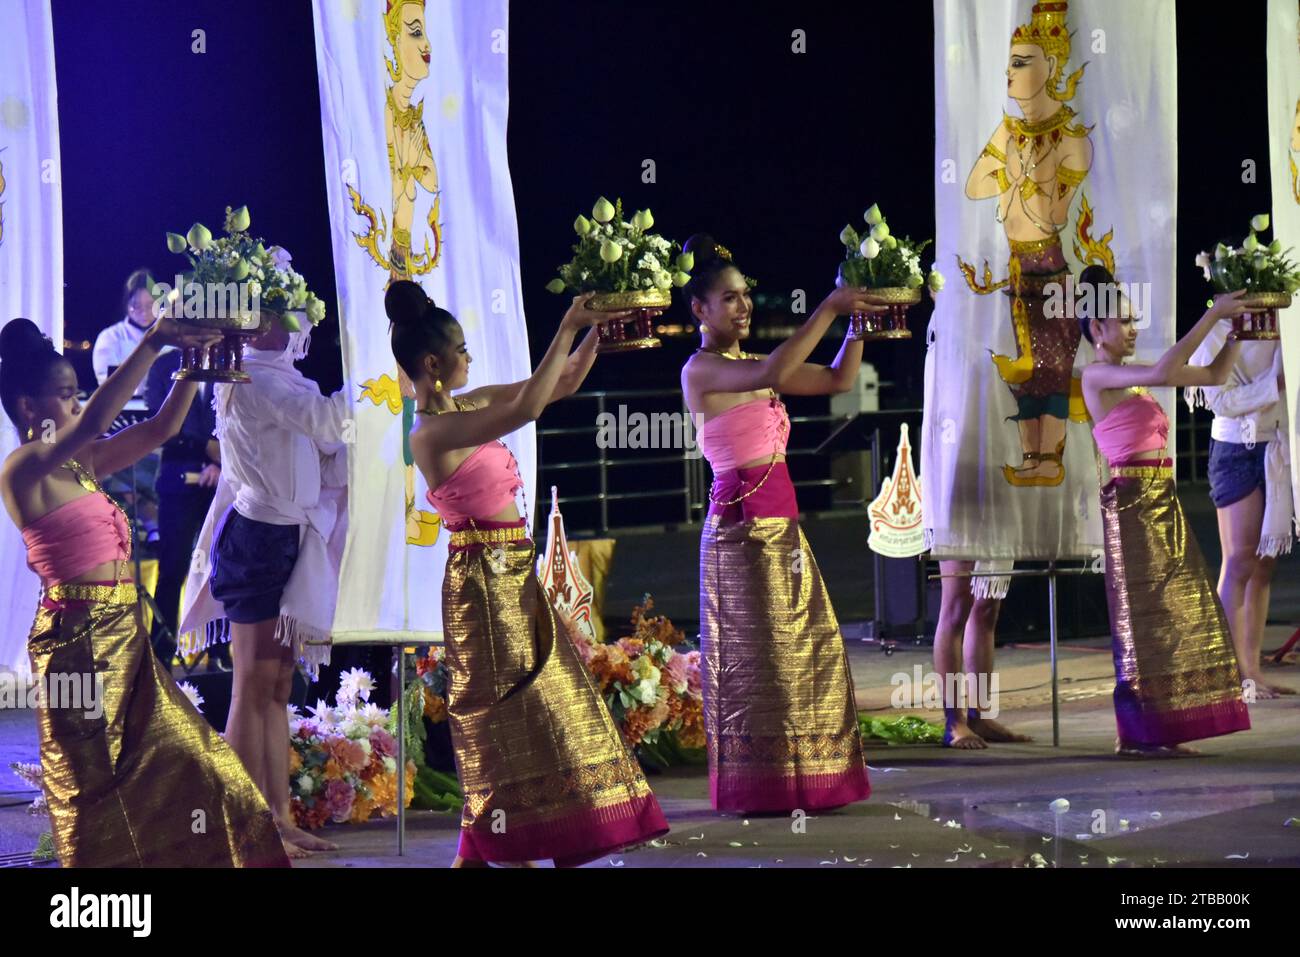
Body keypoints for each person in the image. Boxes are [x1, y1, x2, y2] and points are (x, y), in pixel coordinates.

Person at [386, 279, 669, 866]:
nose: (470, 358)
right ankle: (503, 839)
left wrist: (600, 328)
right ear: (433, 364)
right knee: (505, 709)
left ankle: (550, 831)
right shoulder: (430, 432)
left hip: (513, 570)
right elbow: (528, 407)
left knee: (549, 698)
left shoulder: (467, 404)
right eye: (461, 350)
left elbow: (558, 385)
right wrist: (566, 324)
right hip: (482, 585)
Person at [0, 316, 288, 866]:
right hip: (76, 647)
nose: (78, 405)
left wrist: (196, 364)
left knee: (200, 763)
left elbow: (158, 430)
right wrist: (154, 340)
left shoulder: (82, 466)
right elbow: (94, 424)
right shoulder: (23, 469)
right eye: (66, 396)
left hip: (125, 640)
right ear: (29, 409)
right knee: (93, 788)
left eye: (79, 393)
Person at [680, 235, 874, 812]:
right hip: (741, 532)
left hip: (782, 529)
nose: (743, 307)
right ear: (700, 309)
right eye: (730, 299)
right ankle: (762, 784)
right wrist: (830, 308)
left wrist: (860, 324)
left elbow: (838, 380)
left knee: (803, 651)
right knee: (760, 661)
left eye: (745, 297)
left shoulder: (750, 369)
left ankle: (811, 779)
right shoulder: (702, 370)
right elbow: (777, 365)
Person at [179, 317, 349, 858]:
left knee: (277, 688)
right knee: (252, 685)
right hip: (257, 541)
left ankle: (278, 817)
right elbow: (329, 420)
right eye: (278, 316)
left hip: (282, 540)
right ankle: (244, 822)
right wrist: (374, 375)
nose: (292, 326)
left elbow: (328, 441)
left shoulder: (281, 379)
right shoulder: (251, 377)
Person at [1079, 268, 1252, 756]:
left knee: (1173, 619)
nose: (1133, 329)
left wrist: (1239, 332)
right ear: (1097, 329)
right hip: (1131, 506)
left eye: (1135, 320)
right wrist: (1213, 313)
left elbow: (1216, 375)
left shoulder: (1132, 382)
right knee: (1141, 620)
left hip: (1162, 502)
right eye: (1124, 321)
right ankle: (1135, 732)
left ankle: (1164, 727)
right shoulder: (1097, 375)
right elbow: (1162, 371)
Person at [1185, 326, 1294, 698]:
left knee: (1265, 562)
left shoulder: (1286, 319)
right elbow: (1221, 401)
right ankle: (1233, 673)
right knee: (1240, 561)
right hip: (1237, 446)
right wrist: (1274, 384)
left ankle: (1253, 670)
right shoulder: (1219, 327)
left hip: (1280, 442)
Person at [145, 348, 226, 667]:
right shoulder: (164, 364)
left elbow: (244, 419)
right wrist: (206, 450)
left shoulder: (230, 362)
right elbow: (158, 423)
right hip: (178, 480)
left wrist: (223, 464)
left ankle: (220, 652)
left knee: (222, 569)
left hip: (226, 480)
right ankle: (160, 655)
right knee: (173, 568)